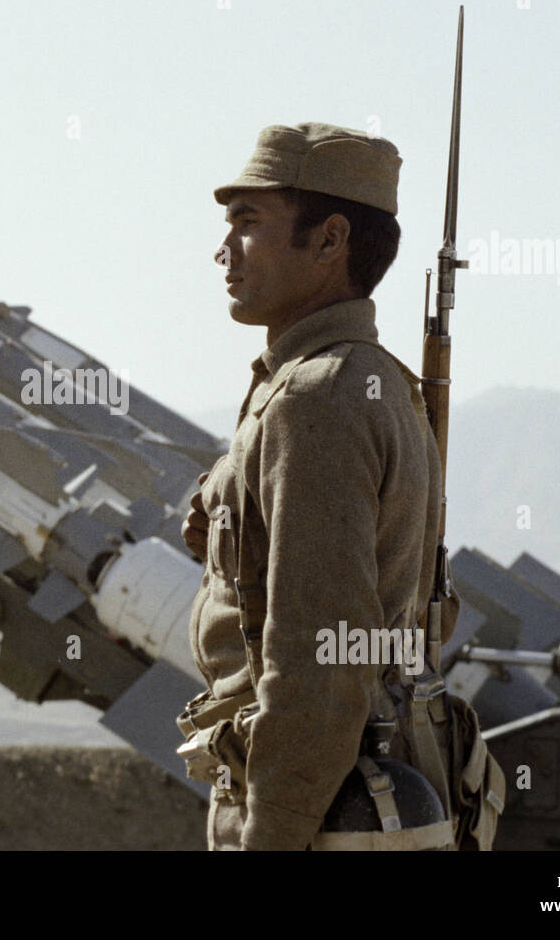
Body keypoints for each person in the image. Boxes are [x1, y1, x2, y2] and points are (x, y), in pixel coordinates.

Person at [178, 122, 457, 850]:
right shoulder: (365, 381)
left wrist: (271, 835)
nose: (223, 250)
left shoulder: (318, 397)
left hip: (309, 811)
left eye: (248, 222)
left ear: (330, 240)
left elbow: (320, 660)